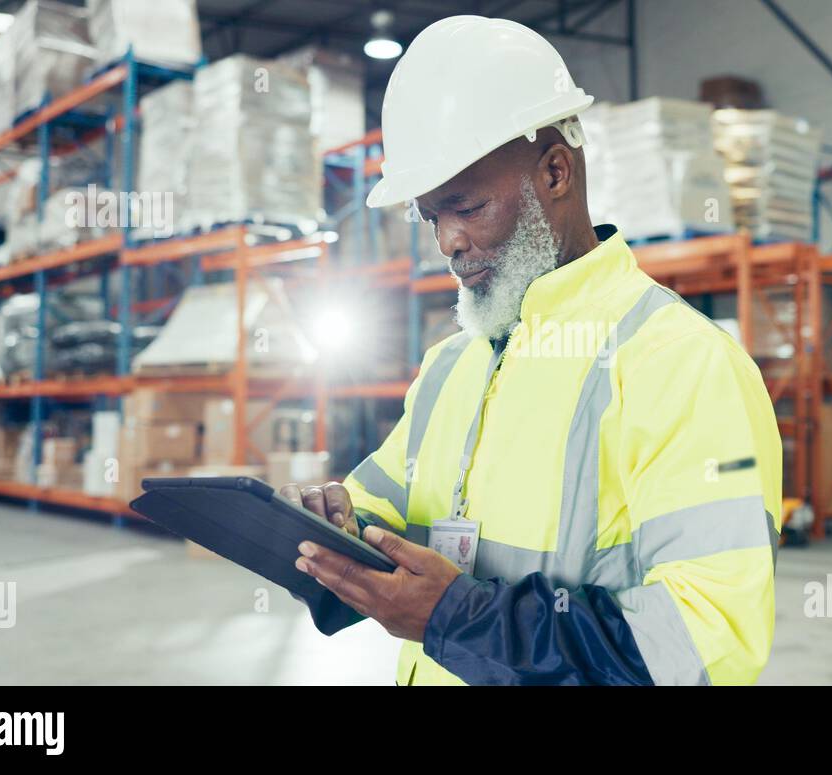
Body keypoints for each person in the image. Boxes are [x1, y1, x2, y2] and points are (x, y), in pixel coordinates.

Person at [283, 14, 783, 685]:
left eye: (466, 206)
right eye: (433, 216)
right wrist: (338, 527)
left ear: (554, 172)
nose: (448, 243)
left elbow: (705, 638)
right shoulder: (448, 367)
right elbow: (381, 506)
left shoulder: (680, 363)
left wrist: (461, 617)